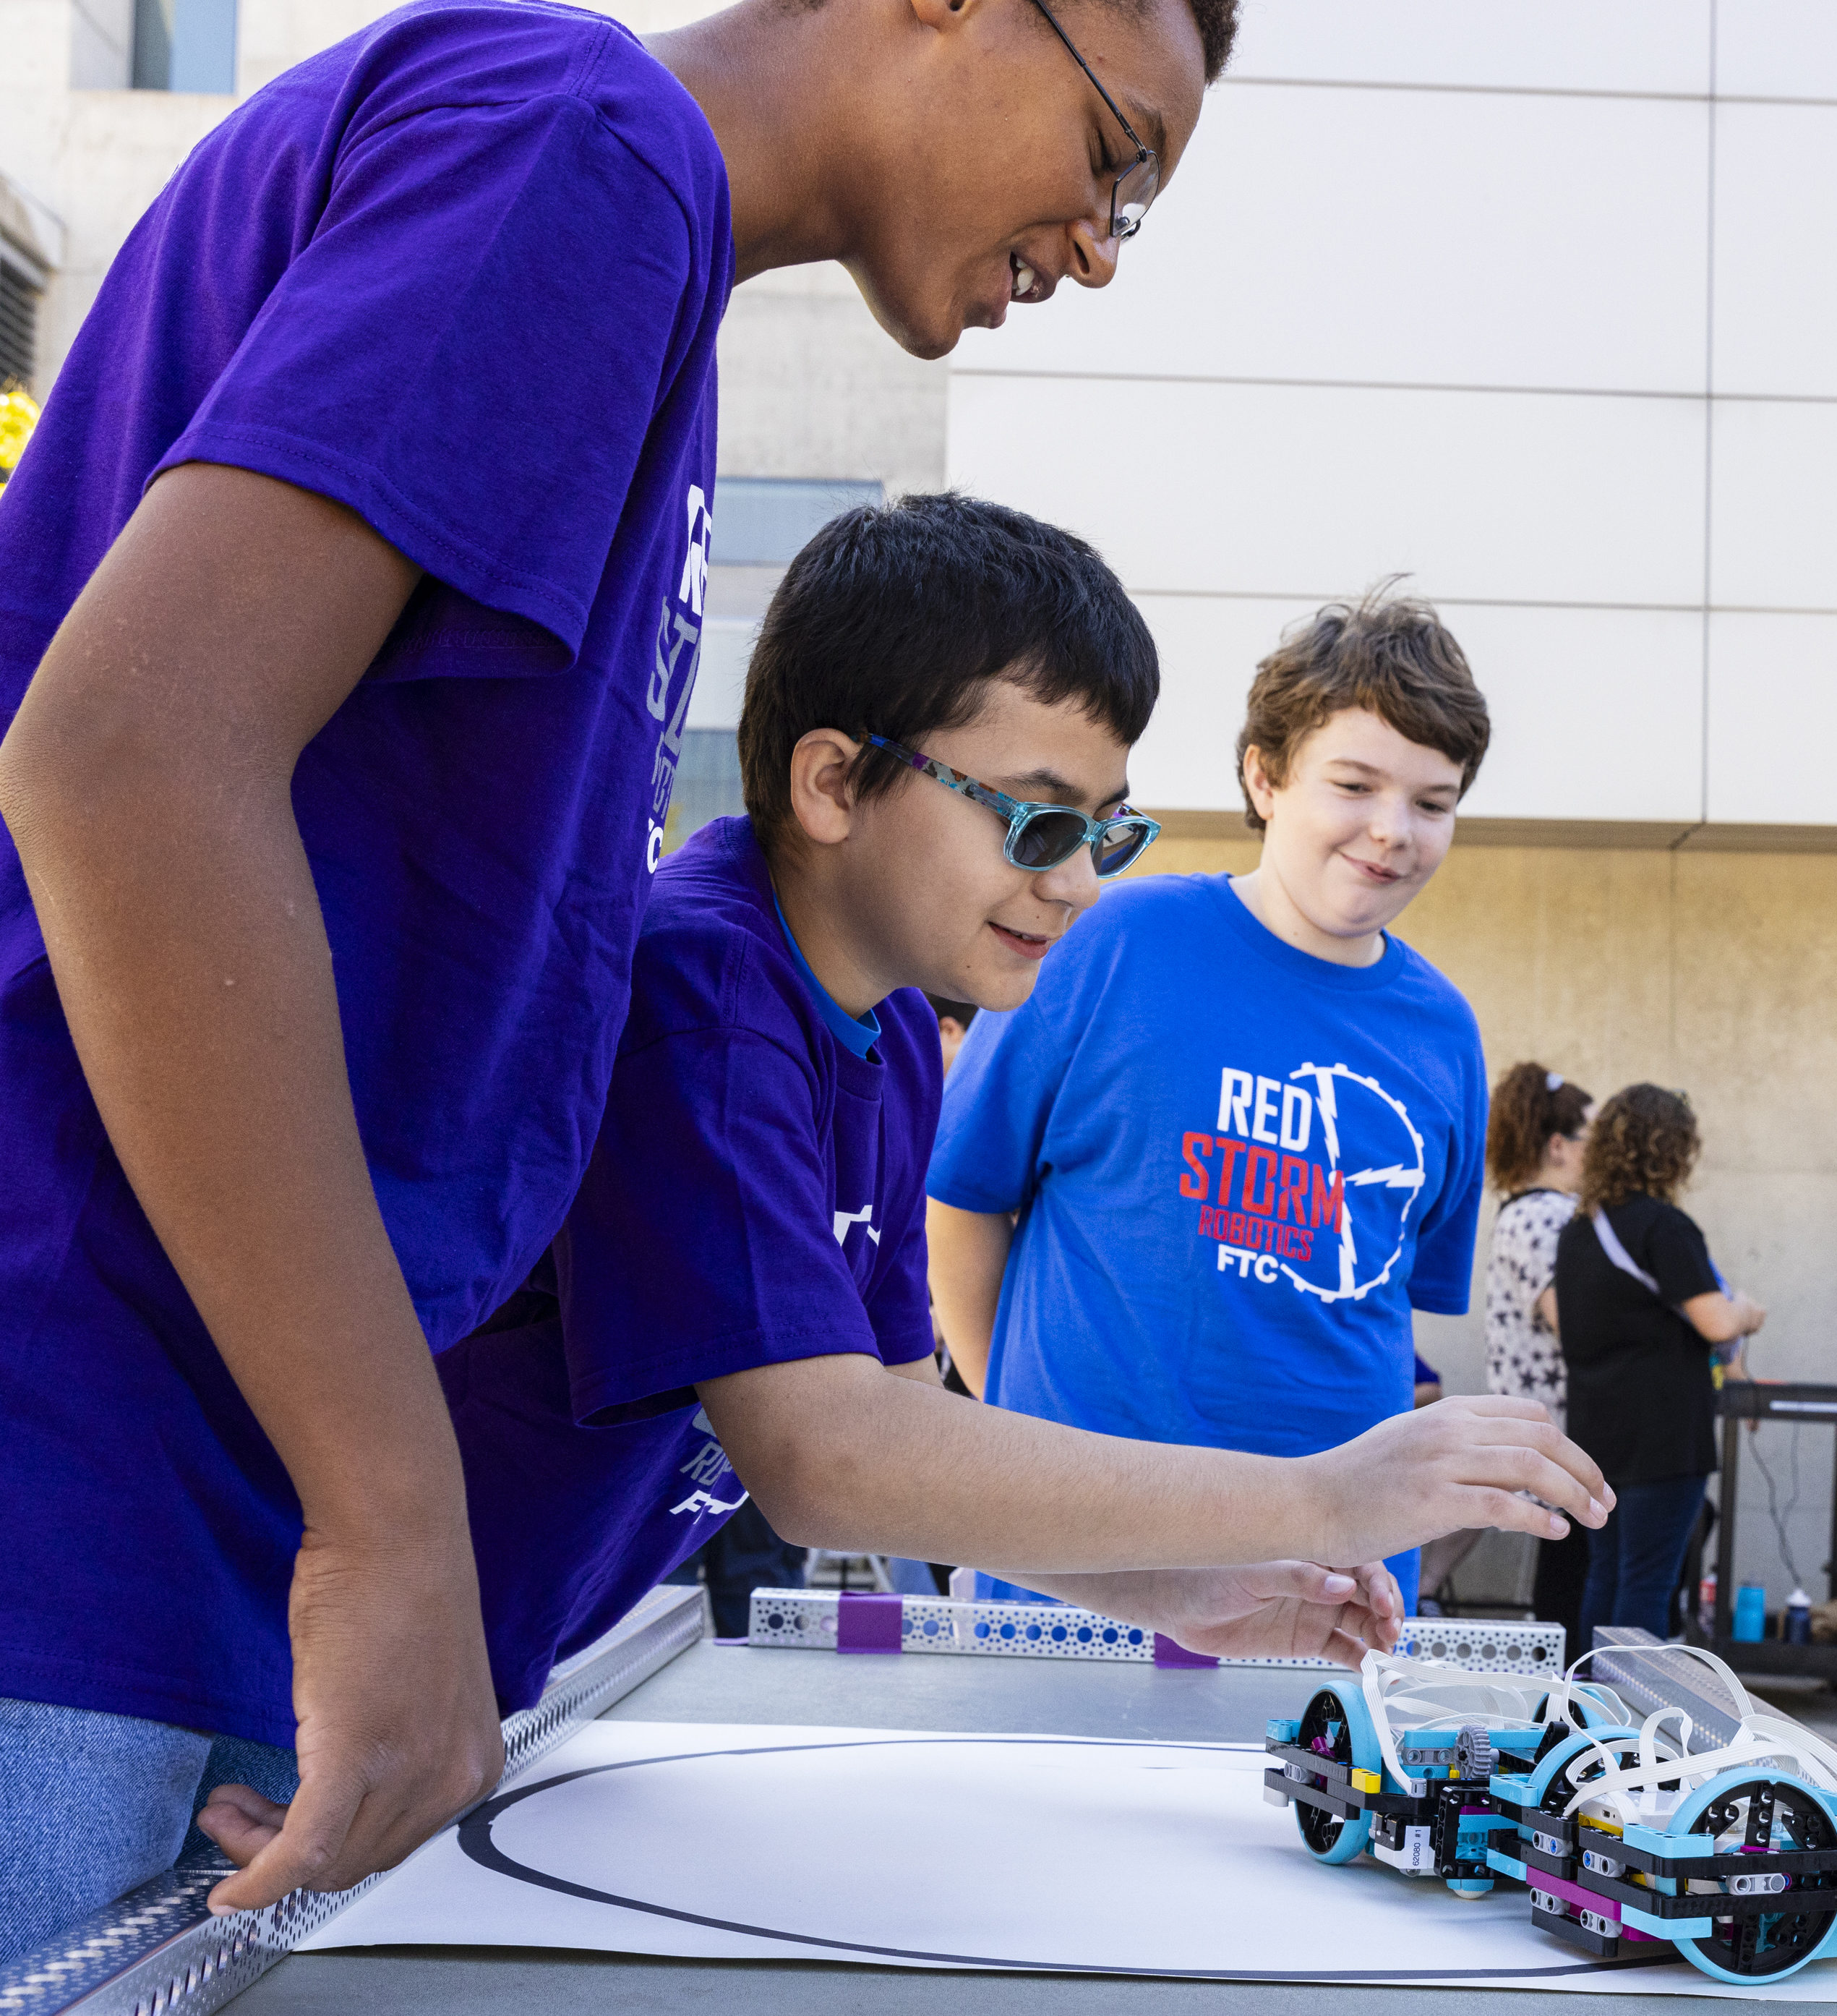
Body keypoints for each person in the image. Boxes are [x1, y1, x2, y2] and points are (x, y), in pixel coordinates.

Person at [0, 0, 1234, 1951]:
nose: (1098, 244)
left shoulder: (634, 253)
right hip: (80, 1474)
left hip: (191, 1508)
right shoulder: (577, 151)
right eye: (1111, 153)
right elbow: (127, 761)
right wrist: (394, 1520)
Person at [352, 496, 1603, 1769]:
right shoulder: (705, 996)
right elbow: (824, 1457)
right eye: (1035, 820)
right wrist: (1324, 1497)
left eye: (1103, 831)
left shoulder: (894, 1024)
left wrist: (1178, 1590)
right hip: (344, 1675)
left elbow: (904, 1418)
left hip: (479, 1672)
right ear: (834, 781)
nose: (1076, 881)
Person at [926, 589, 1502, 1609]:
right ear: (1264, 777)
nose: (1390, 831)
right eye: (1354, 784)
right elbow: (959, 1206)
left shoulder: (1445, 1033)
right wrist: (1018, 1450)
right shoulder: (1111, 943)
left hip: (1333, 1592)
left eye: (1432, 802)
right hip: (1080, 1572)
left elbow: (1390, 1307)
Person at [1555, 1086, 1767, 1642]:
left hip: (1597, 1433)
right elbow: (1717, 1322)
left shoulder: (1577, 1232)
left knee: (1605, 1573)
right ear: (1674, 1150)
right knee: (1647, 1582)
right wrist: (1747, 1313)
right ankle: (1628, 1698)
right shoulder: (1664, 1227)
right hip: (1665, 1436)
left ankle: (1589, 1691)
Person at [1481, 1060, 1594, 1647]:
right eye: (1589, 1139)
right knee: (1571, 1566)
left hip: (1549, 1427)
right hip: (1565, 1427)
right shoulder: (1544, 1216)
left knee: (1568, 1559)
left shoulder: (1522, 1212)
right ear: (1557, 1146)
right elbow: (1574, 1322)